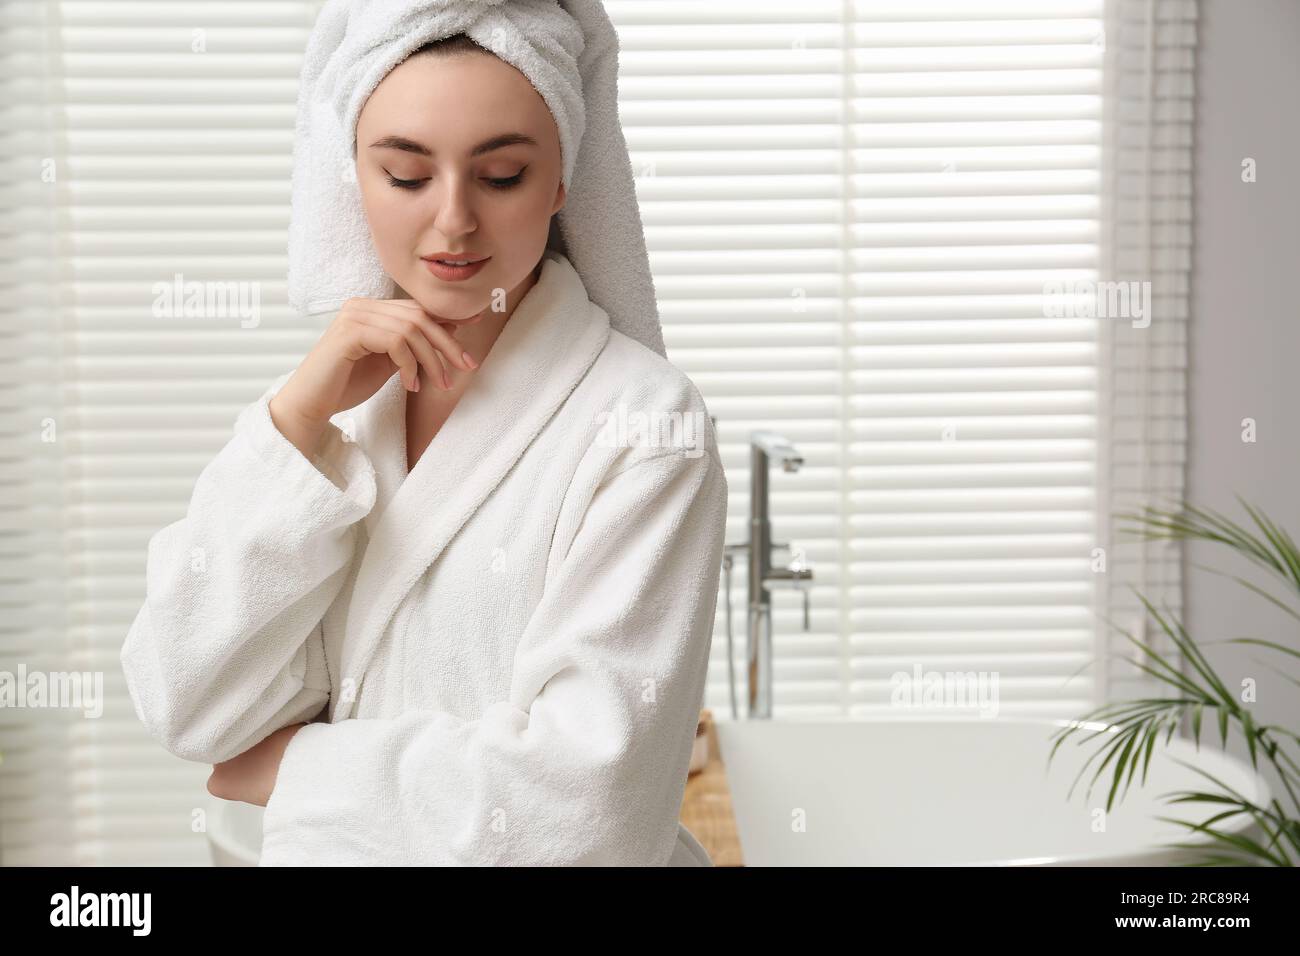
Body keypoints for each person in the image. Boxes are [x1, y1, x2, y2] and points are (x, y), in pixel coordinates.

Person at [120, 27, 727, 867]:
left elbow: (597, 807)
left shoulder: (644, 425)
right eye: (404, 174)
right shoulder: (331, 417)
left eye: (502, 174)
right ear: (354, 178)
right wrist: (296, 422)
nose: (453, 220)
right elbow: (184, 702)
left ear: (561, 180)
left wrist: (298, 769)